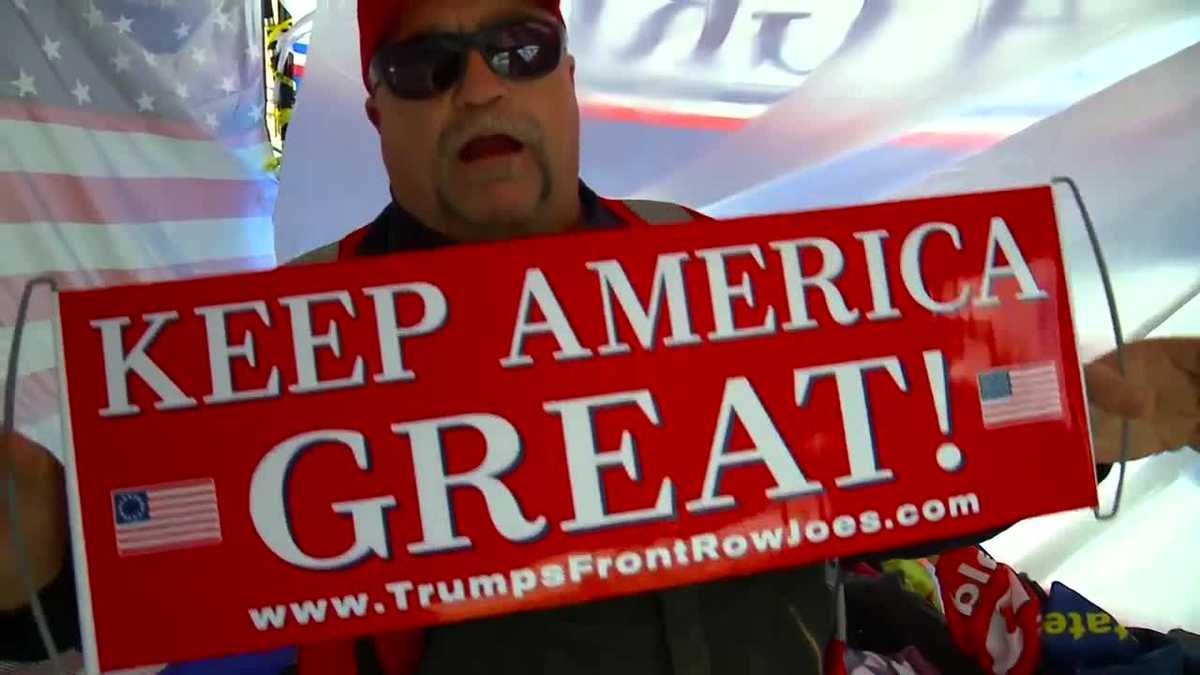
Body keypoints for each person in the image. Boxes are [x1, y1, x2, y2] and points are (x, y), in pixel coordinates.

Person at [2, 0, 1198, 672]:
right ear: (374, 108)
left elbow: (867, 479)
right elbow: (207, 624)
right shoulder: (281, 343)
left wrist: (1073, 421)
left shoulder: (705, 260)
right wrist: (48, 571)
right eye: (427, 64)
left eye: (517, 49)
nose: (480, 89)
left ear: (566, 78)